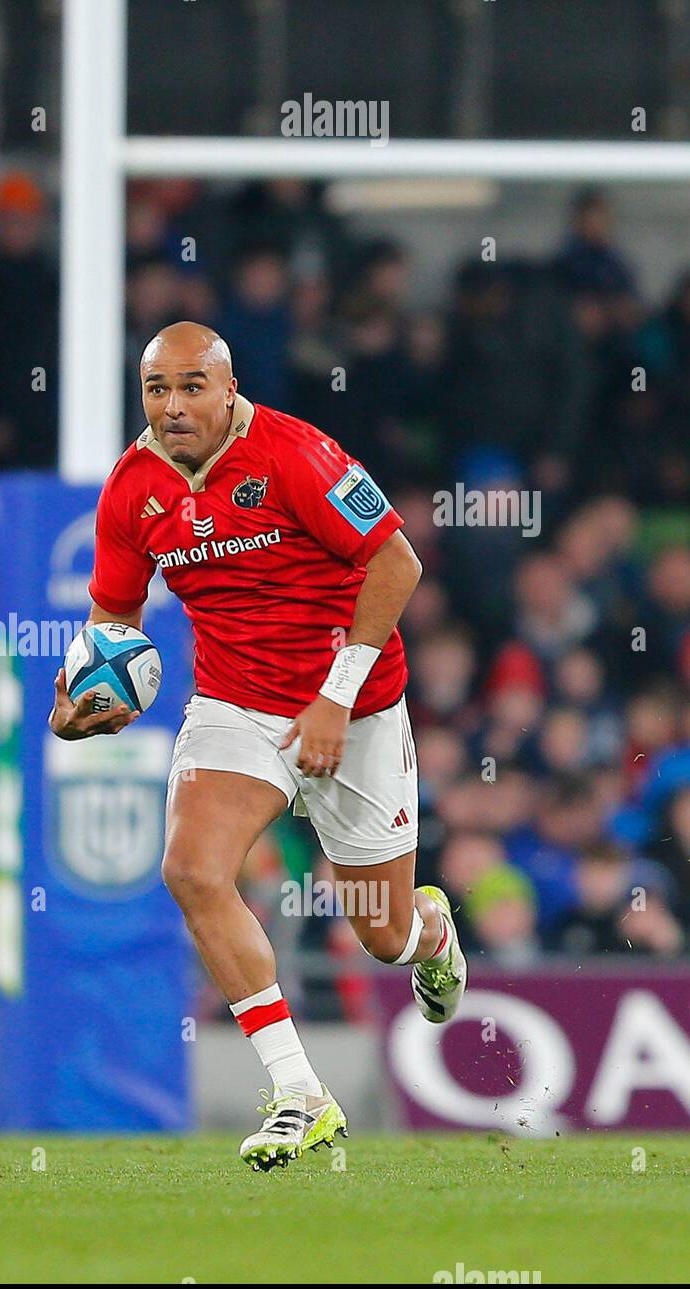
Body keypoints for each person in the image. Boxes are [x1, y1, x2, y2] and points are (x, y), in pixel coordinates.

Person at [48, 322, 467, 1171]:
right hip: (234, 704)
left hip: (357, 704)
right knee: (192, 869)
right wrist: (80, 701)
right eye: (157, 389)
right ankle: (298, 1093)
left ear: (228, 388)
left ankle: (433, 935)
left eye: (191, 386)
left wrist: (332, 700)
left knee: (381, 934)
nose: (173, 406)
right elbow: (113, 623)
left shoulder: (294, 453)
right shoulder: (132, 490)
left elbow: (397, 563)